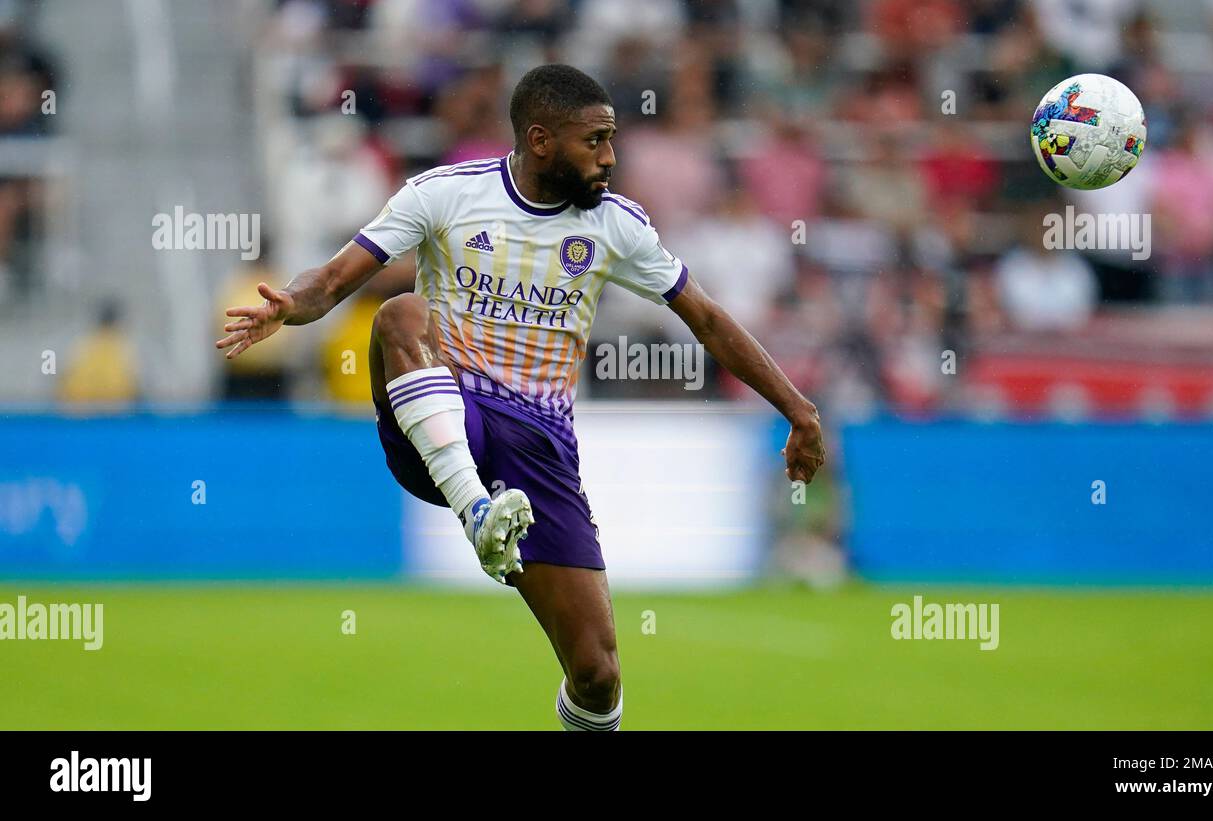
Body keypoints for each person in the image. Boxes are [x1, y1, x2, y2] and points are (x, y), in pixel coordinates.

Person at [216, 64, 825, 731]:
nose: (609, 157)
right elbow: (332, 281)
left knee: (598, 673)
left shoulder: (617, 227)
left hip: (540, 447)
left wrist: (798, 407)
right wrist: (290, 305)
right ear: (540, 140)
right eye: (593, 141)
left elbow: (705, 316)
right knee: (401, 313)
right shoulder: (444, 195)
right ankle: (477, 512)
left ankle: (497, 526)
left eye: (611, 139)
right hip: (450, 414)